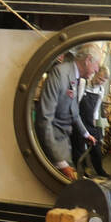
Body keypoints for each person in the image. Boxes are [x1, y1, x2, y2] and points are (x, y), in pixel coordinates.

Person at [35, 44, 101, 181]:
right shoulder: (60, 73)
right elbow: (44, 119)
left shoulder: (75, 77)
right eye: (97, 64)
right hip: (53, 148)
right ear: (88, 59)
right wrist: (59, 161)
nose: (97, 69)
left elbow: (74, 111)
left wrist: (85, 134)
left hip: (64, 145)